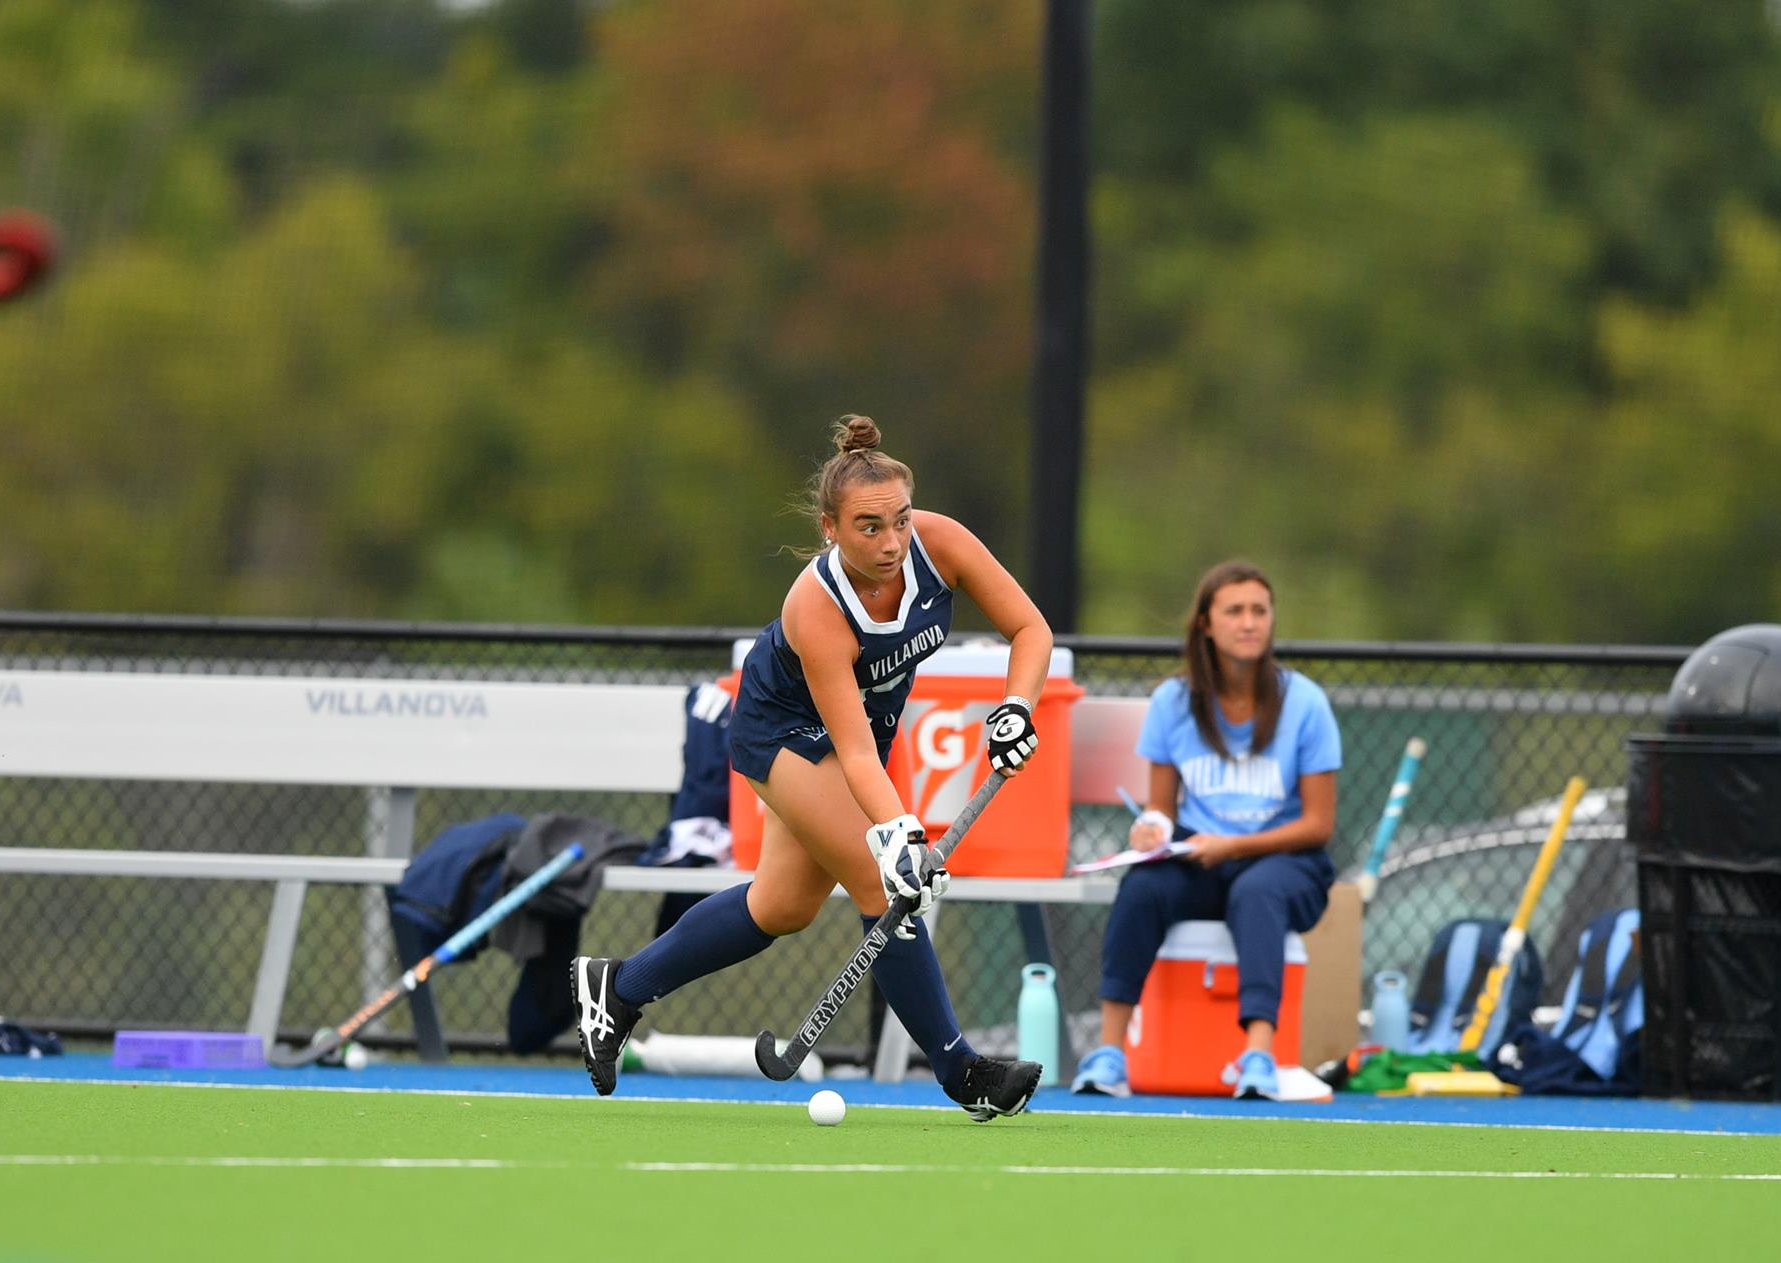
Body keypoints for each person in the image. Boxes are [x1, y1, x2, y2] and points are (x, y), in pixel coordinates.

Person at [571, 414, 1053, 1120]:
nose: (891, 543)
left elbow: (1030, 628)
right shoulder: (816, 605)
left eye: (900, 520)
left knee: (781, 906)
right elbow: (850, 751)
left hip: (859, 734)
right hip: (783, 731)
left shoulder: (940, 544)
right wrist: (898, 836)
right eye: (868, 527)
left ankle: (618, 987)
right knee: (880, 879)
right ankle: (962, 1071)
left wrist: (1017, 707)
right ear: (830, 527)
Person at [1070, 560, 1340, 1100]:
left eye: (1259, 611)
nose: (1249, 623)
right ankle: (1109, 1055)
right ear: (1206, 624)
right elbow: (1160, 807)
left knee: (1257, 891)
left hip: (1287, 866)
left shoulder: (1305, 702)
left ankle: (1258, 1057)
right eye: (1234, 611)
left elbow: (1318, 825)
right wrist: (1151, 829)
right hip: (1201, 859)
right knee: (1143, 888)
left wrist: (1233, 846)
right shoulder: (1173, 701)